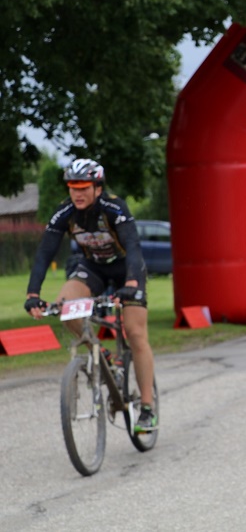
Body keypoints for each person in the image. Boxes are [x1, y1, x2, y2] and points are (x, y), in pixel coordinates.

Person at [25, 159, 158, 433]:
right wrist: (33, 294)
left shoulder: (114, 207)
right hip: (93, 269)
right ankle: (103, 355)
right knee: (66, 308)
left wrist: (132, 281)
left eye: (84, 187)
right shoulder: (65, 212)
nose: (77, 193)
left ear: (98, 188)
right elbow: (44, 253)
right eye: (73, 187)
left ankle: (147, 407)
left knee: (134, 332)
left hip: (126, 269)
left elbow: (133, 245)